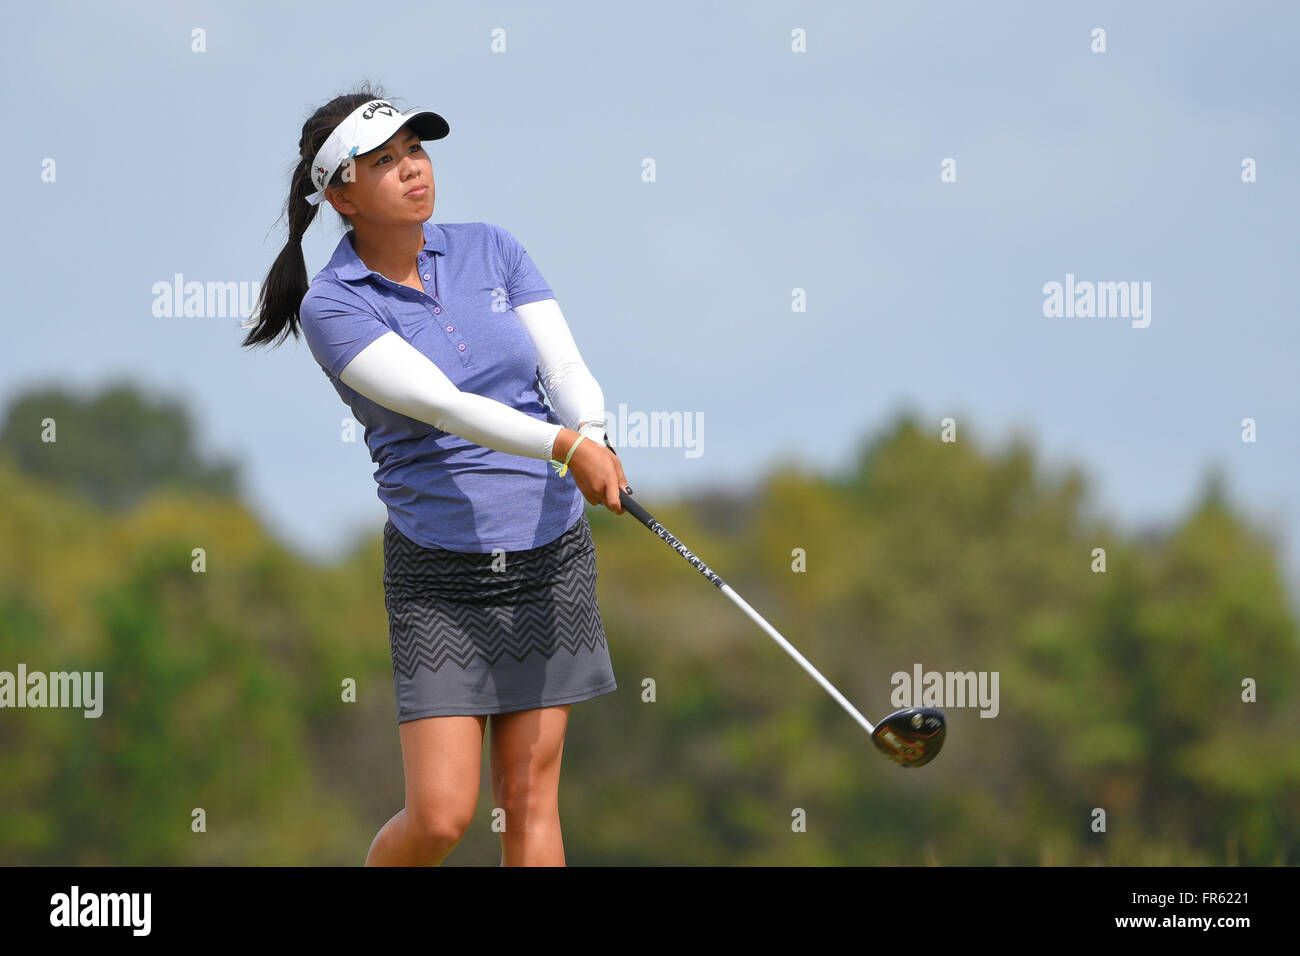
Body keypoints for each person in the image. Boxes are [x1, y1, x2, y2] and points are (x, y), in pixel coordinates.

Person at [240, 84, 632, 866]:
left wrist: (591, 430)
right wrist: (567, 448)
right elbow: (443, 407)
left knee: (528, 804)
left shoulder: (493, 247)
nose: (413, 169)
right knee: (444, 816)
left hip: (548, 550)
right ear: (341, 195)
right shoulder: (334, 305)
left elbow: (563, 363)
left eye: (416, 151)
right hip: (441, 573)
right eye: (385, 161)